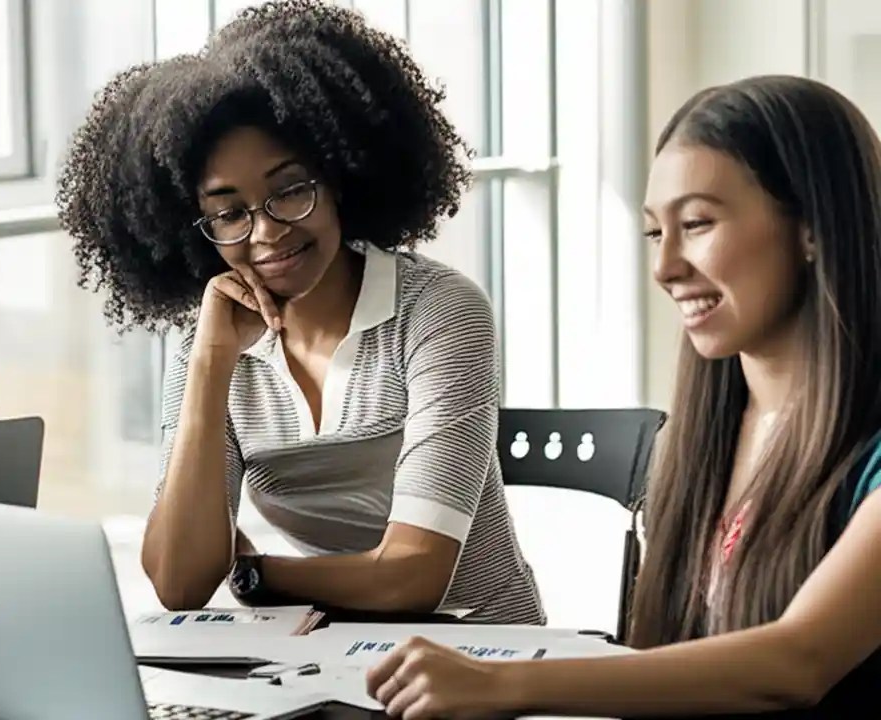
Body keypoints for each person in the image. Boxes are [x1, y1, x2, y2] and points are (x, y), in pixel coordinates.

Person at [365, 74, 881, 718]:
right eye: (654, 234)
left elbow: (796, 662)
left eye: (696, 223)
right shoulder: (698, 441)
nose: (666, 268)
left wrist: (499, 684)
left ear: (812, 227)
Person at [57, 0, 544, 623]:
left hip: (483, 657)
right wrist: (209, 366)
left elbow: (415, 576)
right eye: (230, 212)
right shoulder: (214, 343)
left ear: (338, 177)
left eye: (290, 189)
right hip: (328, 662)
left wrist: (257, 573)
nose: (267, 232)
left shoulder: (437, 312)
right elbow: (179, 581)